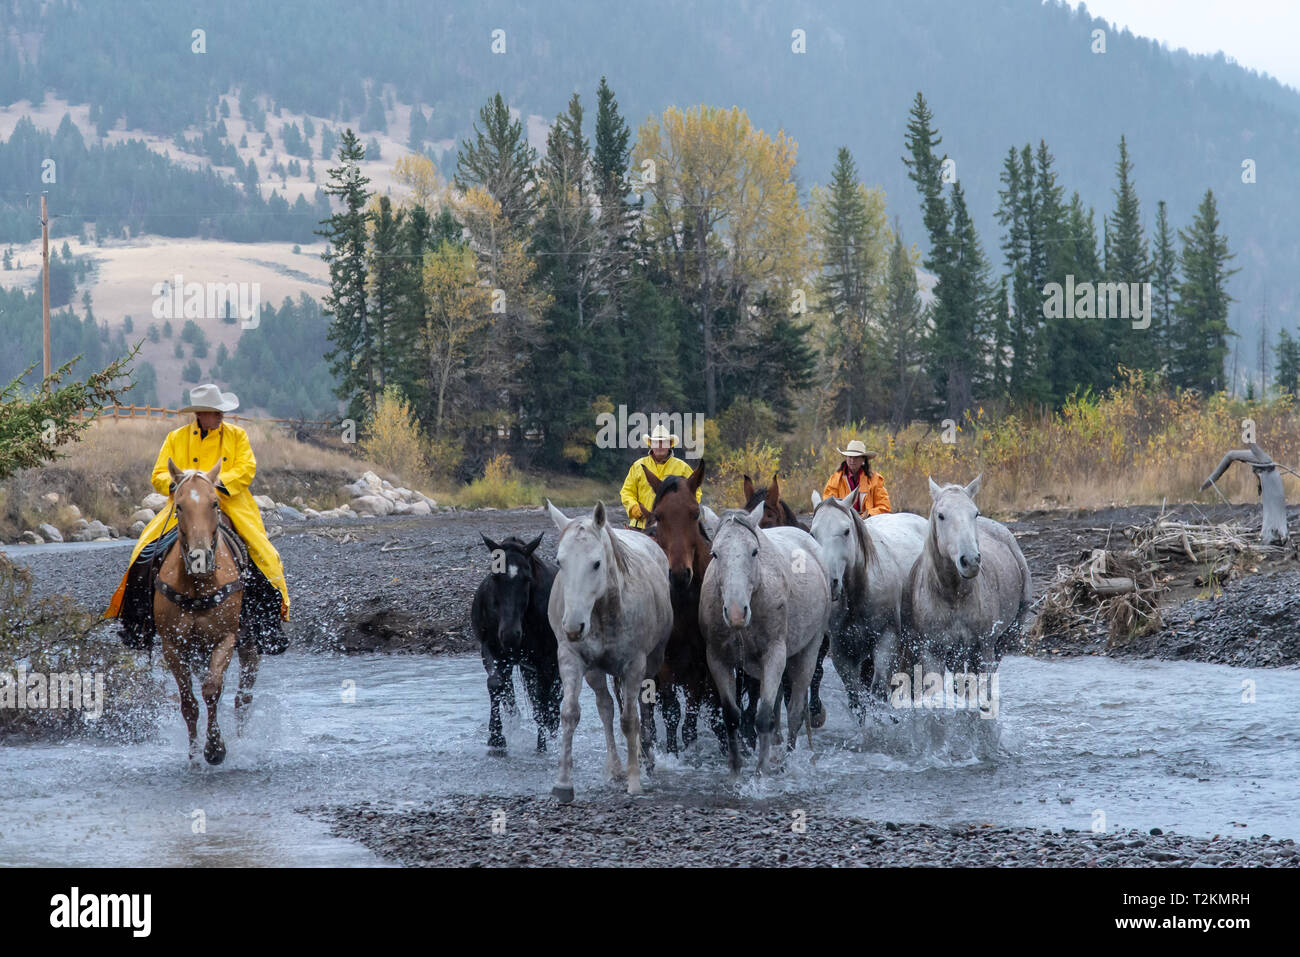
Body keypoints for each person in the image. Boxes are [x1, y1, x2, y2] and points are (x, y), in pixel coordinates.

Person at [105, 384, 289, 650]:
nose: (221, 415)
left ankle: (266, 627)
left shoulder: (237, 436)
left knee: (265, 560)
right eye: (216, 411)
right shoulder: (175, 438)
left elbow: (247, 468)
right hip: (183, 507)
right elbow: (158, 474)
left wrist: (211, 486)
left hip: (228, 505)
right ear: (201, 414)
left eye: (221, 411)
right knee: (143, 556)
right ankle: (138, 626)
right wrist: (180, 488)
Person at [619, 425, 699, 530]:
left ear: (670, 445)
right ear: (651, 444)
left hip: (672, 528)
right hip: (640, 526)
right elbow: (627, 492)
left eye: (663, 442)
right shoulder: (637, 466)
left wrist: (682, 510)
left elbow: (695, 492)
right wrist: (634, 508)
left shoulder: (683, 468)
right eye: (656, 442)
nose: (659, 445)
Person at [822, 439, 891, 517]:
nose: (852, 460)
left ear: (863, 459)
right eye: (850, 457)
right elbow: (828, 505)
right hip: (842, 522)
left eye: (856, 457)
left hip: (869, 522)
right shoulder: (835, 479)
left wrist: (866, 515)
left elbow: (884, 507)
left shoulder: (875, 479)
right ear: (846, 458)